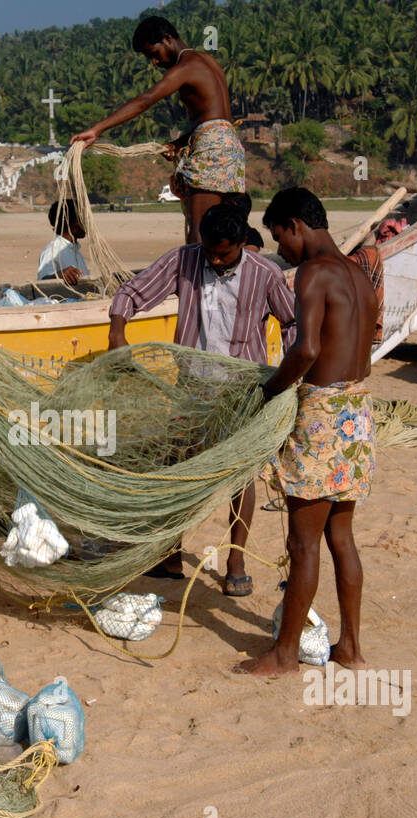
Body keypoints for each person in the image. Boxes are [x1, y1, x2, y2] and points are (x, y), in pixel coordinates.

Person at [108, 204, 295, 596]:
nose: (214, 258)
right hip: (190, 390)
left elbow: (293, 323)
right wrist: (118, 331)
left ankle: (235, 561)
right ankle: (172, 554)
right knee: (178, 469)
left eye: (223, 253)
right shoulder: (184, 260)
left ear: (243, 243)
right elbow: (132, 291)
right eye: (209, 250)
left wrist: (287, 379)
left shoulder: (266, 274)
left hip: (243, 394)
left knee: (241, 477)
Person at [240, 188, 377, 677]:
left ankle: (283, 653)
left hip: (321, 417)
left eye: (280, 239)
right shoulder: (359, 273)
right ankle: (351, 648)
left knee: (303, 543)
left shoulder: (314, 273)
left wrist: (268, 393)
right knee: (342, 536)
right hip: (357, 413)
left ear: (296, 225)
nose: (281, 251)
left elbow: (306, 350)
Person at [70, 15, 244, 243]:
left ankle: (194, 279)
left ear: (167, 38)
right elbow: (215, 120)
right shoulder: (208, 61)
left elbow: (147, 99)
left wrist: (97, 129)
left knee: (201, 233)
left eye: (154, 54)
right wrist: (179, 143)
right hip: (230, 147)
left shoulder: (186, 66)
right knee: (226, 231)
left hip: (212, 148)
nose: (154, 63)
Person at [38, 199, 90, 284]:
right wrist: (59, 275)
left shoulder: (76, 253)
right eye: (82, 220)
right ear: (72, 226)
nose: (86, 224)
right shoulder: (53, 250)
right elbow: (42, 281)